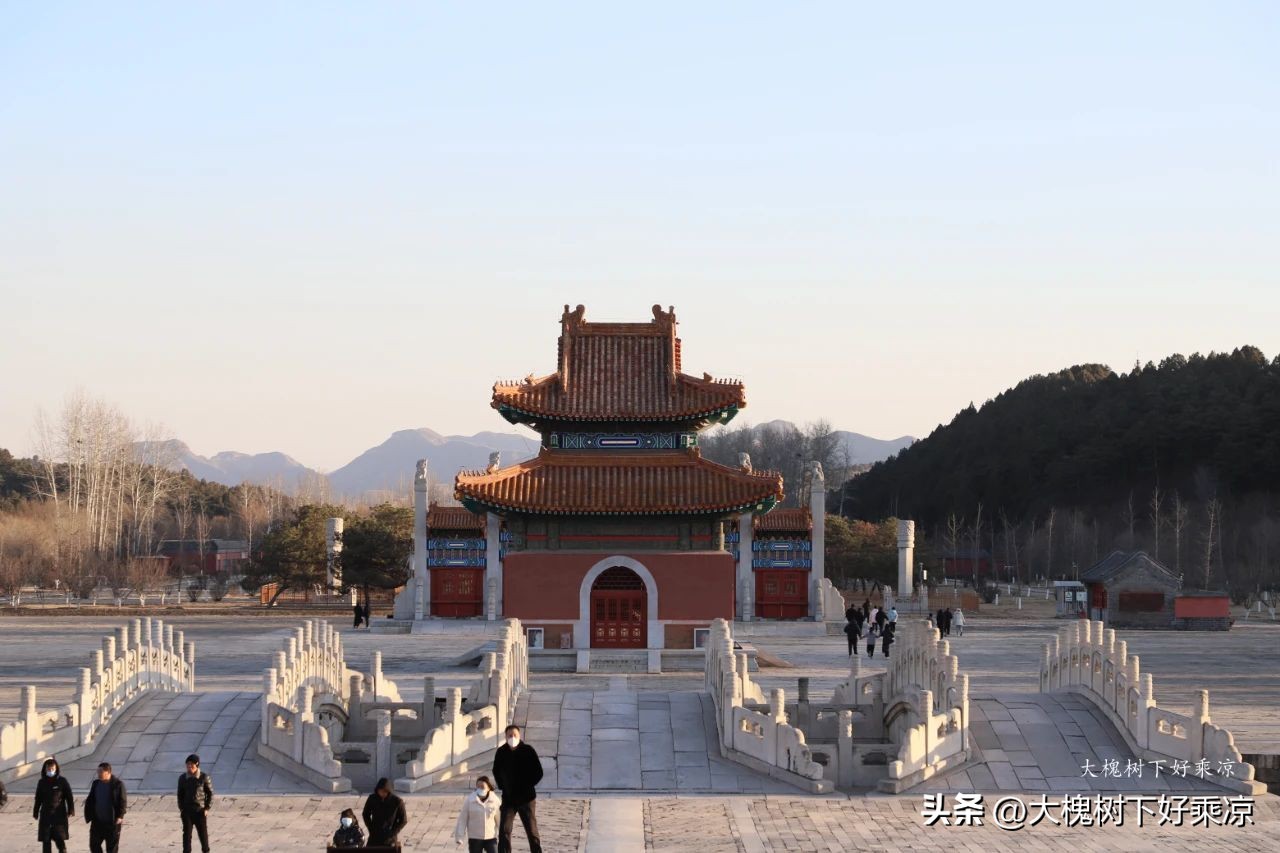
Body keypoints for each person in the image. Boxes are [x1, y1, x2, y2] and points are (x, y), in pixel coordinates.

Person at [492, 725, 543, 853]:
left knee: (531, 830)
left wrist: (528, 785)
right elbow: (496, 771)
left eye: (515, 735)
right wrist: (502, 785)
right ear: (505, 736)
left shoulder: (528, 750)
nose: (512, 737)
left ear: (519, 736)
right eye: (510, 735)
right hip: (509, 798)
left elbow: (538, 772)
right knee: (504, 829)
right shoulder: (501, 752)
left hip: (526, 798)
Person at [84, 762, 126, 853]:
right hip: (97, 822)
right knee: (94, 845)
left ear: (108, 772)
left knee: (111, 849)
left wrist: (120, 816)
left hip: (112, 823)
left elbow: (122, 801)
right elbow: (91, 798)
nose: (98, 774)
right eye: (98, 772)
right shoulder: (96, 783)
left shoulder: (118, 785)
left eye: (100, 772)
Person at [33, 757, 74, 853]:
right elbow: (38, 798)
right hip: (46, 814)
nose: (50, 771)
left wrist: (71, 809)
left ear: (56, 769)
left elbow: (69, 796)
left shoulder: (62, 781)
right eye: (48, 769)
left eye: (52, 769)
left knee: (60, 841)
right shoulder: (42, 782)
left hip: (59, 814)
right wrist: (35, 812)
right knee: (46, 841)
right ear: (45, 769)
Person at [453, 775, 502, 853]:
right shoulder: (470, 800)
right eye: (478, 786)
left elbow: (500, 820)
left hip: (491, 837)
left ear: (489, 788)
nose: (480, 789)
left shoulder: (495, 800)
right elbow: (462, 819)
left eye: (482, 787)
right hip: (474, 838)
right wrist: (459, 837)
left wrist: (503, 835)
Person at [176, 754, 213, 853]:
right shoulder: (183, 778)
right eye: (187, 765)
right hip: (187, 811)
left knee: (203, 834)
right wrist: (182, 809)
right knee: (187, 835)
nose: (189, 767)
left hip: (199, 810)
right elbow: (180, 795)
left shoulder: (204, 777)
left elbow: (210, 794)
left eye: (191, 765)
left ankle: (206, 851)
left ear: (197, 765)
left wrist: (206, 808)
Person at [362, 778, 407, 848]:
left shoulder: (397, 802)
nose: (382, 793)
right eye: (380, 791)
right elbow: (365, 814)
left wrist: (393, 832)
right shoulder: (372, 799)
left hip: (389, 837)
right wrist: (371, 828)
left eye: (384, 792)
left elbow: (403, 820)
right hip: (375, 835)